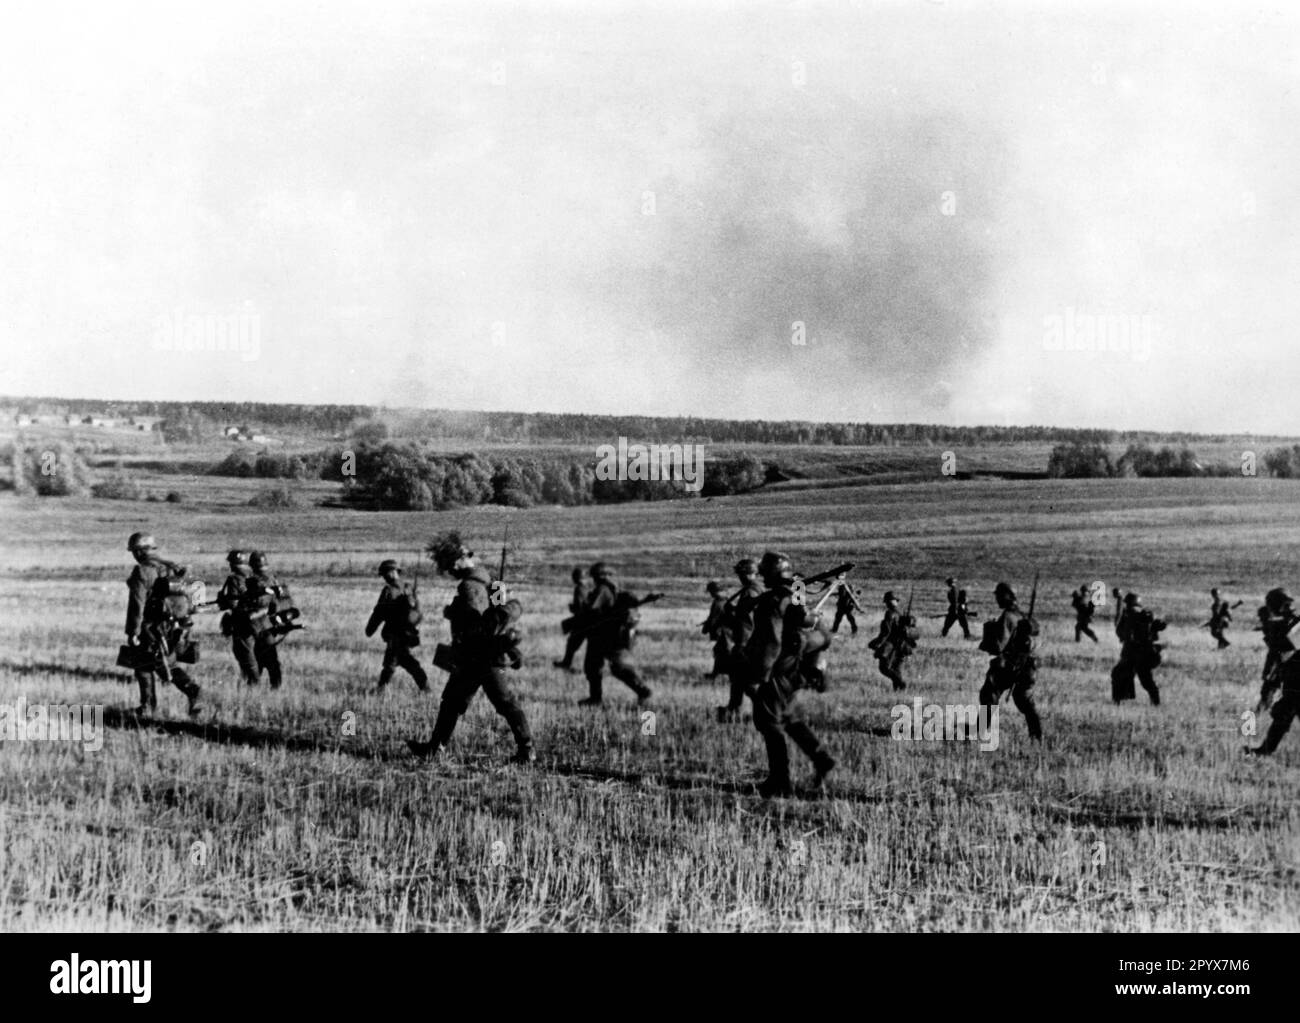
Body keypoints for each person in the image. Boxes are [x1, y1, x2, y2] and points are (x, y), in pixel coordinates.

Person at [409, 538, 533, 764]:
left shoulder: (470, 586)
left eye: (451, 563)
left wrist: (453, 613)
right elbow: (498, 618)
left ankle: (526, 750)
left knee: (502, 702)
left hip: (478, 656)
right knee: (455, 702)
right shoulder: (489, 581)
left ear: (461, 560)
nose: (450, 569)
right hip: (484, 655)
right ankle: (435, 748)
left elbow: (479, 625)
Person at [745, 551, 836, 798]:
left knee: (768, 721)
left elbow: (771, 642)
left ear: (773, 572)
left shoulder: (774, 600)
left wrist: (758, 676)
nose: (761, 575)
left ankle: (779, 781)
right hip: (793, 668)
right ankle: (822, 760)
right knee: (788, 717)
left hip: (777, 670)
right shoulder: (794, 594)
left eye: (764, 571)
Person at [123, 532, 202, 716]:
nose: (134, 555)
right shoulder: (171, 567)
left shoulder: (142, 570)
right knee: (166, 662)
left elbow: (137, 603)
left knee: (144, 665)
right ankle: (189, 693)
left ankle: (151, 705)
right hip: (175, 625)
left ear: (140, 551)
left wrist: (132, 631)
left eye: (134, 551)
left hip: (152, 626)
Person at [576, 562, 655, 707]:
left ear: (598, 576)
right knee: (612, 667)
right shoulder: (613, 588)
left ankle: (597, 698)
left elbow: (590, 610)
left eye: (594, 576)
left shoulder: (602, 589)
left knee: (597, 667)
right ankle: (640, 691)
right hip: (610, 634)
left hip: (601, 635)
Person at [977, 582, 1042, 740]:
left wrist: (988, 637)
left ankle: (978, 733)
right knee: (1025, 701)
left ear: (1008, 596)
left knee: (989, 695)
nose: (997, 598)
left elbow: (998, 646)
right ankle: (1037, 736)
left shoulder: (1007, 616)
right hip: (1025, 667)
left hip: (1008, 666)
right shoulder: (1023, 615)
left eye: (999, 595)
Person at [365, 559, 429, 693]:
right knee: (401, 661)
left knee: (393, 664)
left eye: (384, 574)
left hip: (395, 633)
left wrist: (370, 629)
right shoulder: (408, 587)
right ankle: (425, 688)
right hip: (407, 633)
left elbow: (379, 612)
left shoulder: (388, 591)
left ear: (392, 572)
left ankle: (380, 690)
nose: (383, 577)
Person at [716, 558, 763, 721]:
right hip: (748, 641)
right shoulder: (755, 589)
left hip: (745, 642)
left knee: (746, 683)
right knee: (737, 680)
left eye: (741, 574)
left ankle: (764, 709)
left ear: (748, 574)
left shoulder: (751, 591)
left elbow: (745, 619)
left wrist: (731, 613)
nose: (739, 577)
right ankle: (733, 709)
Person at [1111, 592, 1166, 706]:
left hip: (1142, 653)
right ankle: (1118, 701)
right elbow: (1120, 632)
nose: (1129, 608)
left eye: (1130, 605)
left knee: (1145, 679)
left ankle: (1156, 703)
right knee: (1119, 674)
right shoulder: (1129, 616)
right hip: (1131, 652)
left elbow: (1149, 634)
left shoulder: (1142, 616)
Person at [240, 550, 285, 688]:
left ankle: (255, 689)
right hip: (265, 626)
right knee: (270, 660)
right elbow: (277, 603)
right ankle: (272, 689)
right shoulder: (271, 581)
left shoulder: (250, 581)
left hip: (257, 626)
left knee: (258, 660)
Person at [217, 549, 259, 684]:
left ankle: (253, 682)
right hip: (257, 620)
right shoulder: (253, 574)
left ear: (234, 563)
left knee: (244, 653)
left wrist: (223, 602)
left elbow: (232, 603)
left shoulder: (234, 579)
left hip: (241, 621)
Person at [867, 592, 912, 691]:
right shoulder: (901, 612)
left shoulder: (890, 613)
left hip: (892, 644)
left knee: (884, 668)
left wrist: (877, 643)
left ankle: (901, 684)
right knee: (896, 668)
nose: (887, 603)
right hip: (903, 644)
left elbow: (886, 632)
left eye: (887, 601)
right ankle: (898, 691)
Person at [553, 566, 590, 672]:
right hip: (587, 619)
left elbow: (579, 606)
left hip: (582, 620)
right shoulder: (586, 587)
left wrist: (573, 608)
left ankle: (566, 663)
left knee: (572, 642)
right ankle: (566, 662)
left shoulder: (579, 588)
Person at [702, 581, 731, 679]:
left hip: (724, 632)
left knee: (722, 652)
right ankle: (716, 674)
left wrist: (706, 628)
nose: (710, 594)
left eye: (711, 592)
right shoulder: (728, 600)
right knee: (720, 651)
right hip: (729, 632)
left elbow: (713, 619)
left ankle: (717, 674)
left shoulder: (718, 603)